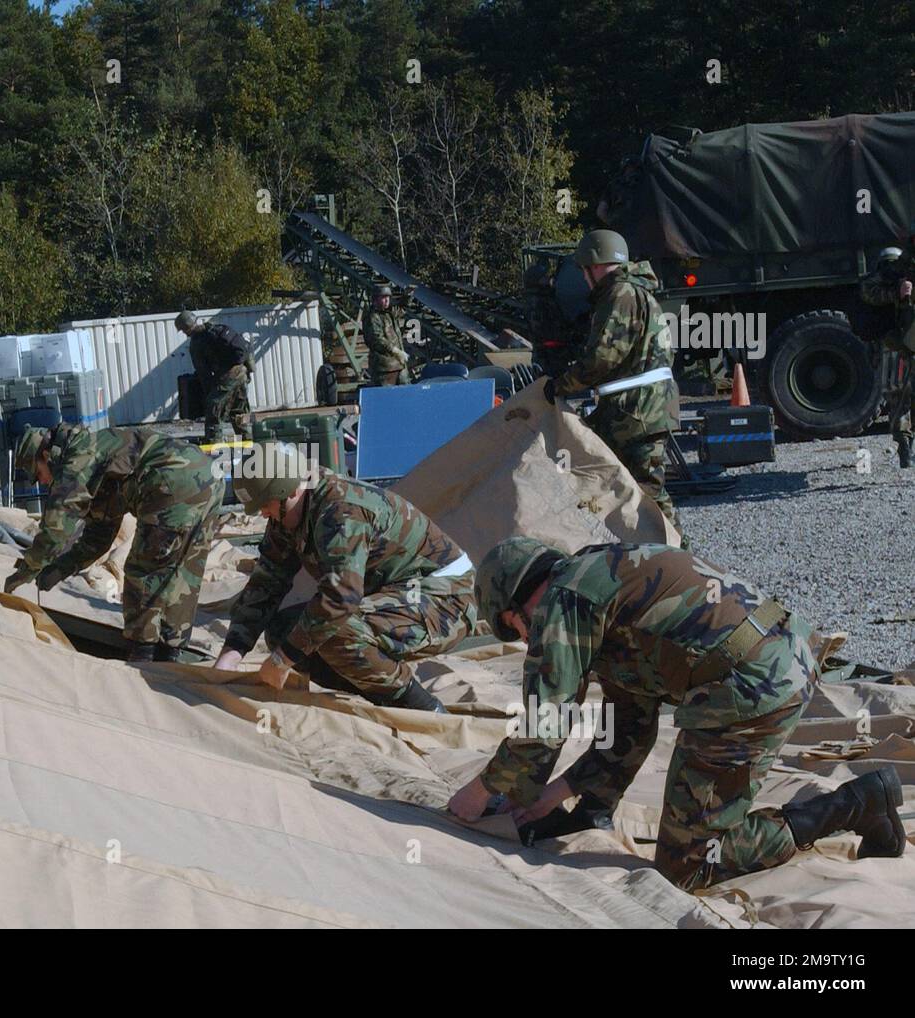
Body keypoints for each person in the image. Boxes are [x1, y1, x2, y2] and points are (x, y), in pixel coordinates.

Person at [448, 537, 906, 891]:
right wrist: (568, 793)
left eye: (518, 633)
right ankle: (860, 807)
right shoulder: (600, 577)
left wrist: (481, 790)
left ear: (512, 616)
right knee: (683, 831)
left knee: (688, 866)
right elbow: (630, 719)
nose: (528, 642)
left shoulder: (562, 603)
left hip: (748, 690)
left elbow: (543, 724)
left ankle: (853, 805)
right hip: (776, 662)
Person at [213, 442, 477, 712]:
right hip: (397, 594)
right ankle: (379, 694)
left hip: (445, 598)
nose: (262, 514)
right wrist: (232, 652)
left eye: (265, 506)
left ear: (290, 491)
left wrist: (282, 661)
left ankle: (421, 707)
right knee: (285, 631)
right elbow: (267, 581)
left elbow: (341, 598)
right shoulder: (289, 509)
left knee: (332, 629)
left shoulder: (340, 510)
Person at [2, 423, 224, 662]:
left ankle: (144, 657)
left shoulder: (76, 461)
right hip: (209, 477)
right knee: (183, 573)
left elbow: (55, 530)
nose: (43, 482)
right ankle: (171, 655)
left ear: (46, 456)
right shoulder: (98, 452)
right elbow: (98, 537)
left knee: (143, 571)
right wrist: (60, 568)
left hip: (172, 483)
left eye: (39, 474)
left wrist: (27, 569)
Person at [544, 230, 683, 540]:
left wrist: (562, 385)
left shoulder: (620, 294)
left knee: (645, 495)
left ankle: (678, 562)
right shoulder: (633, 291)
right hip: (639, 411)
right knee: (637, 490)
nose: (582, 277)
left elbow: (602, 358)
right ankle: (664, 559)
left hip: (636, 413)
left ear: (593, 265)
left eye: (583, 270)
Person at [860, 243, 915, 468]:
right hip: (898, 345)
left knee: (901, 398)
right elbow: (868, 291)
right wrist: (898, 291)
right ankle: (905, 448)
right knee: (901, 398)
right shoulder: (895, 275)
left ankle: (906, 448)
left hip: (900, 345)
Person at [173, 310, 253, 441]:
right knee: (238, 409)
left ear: (186, 327)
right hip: (242, 372)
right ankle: (248, 439)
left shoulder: (196, 342)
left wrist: (209, 393)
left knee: (213, 408)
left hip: (228, 375)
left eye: (183, 330)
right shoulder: (214, 328)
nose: (184, 333)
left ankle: (214, 443)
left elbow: (204, 375)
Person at [361, 283, 409, 386]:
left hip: (399, 365)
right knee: (387, 398)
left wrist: (407, 296)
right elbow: (376, 339)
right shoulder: (372, 317)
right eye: (383, 297)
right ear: (375, 299)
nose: (387, 300)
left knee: (406, 396)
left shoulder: (389, 313)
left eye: (388, 297)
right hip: (384, 369)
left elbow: (402, 309)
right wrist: (394, 350)